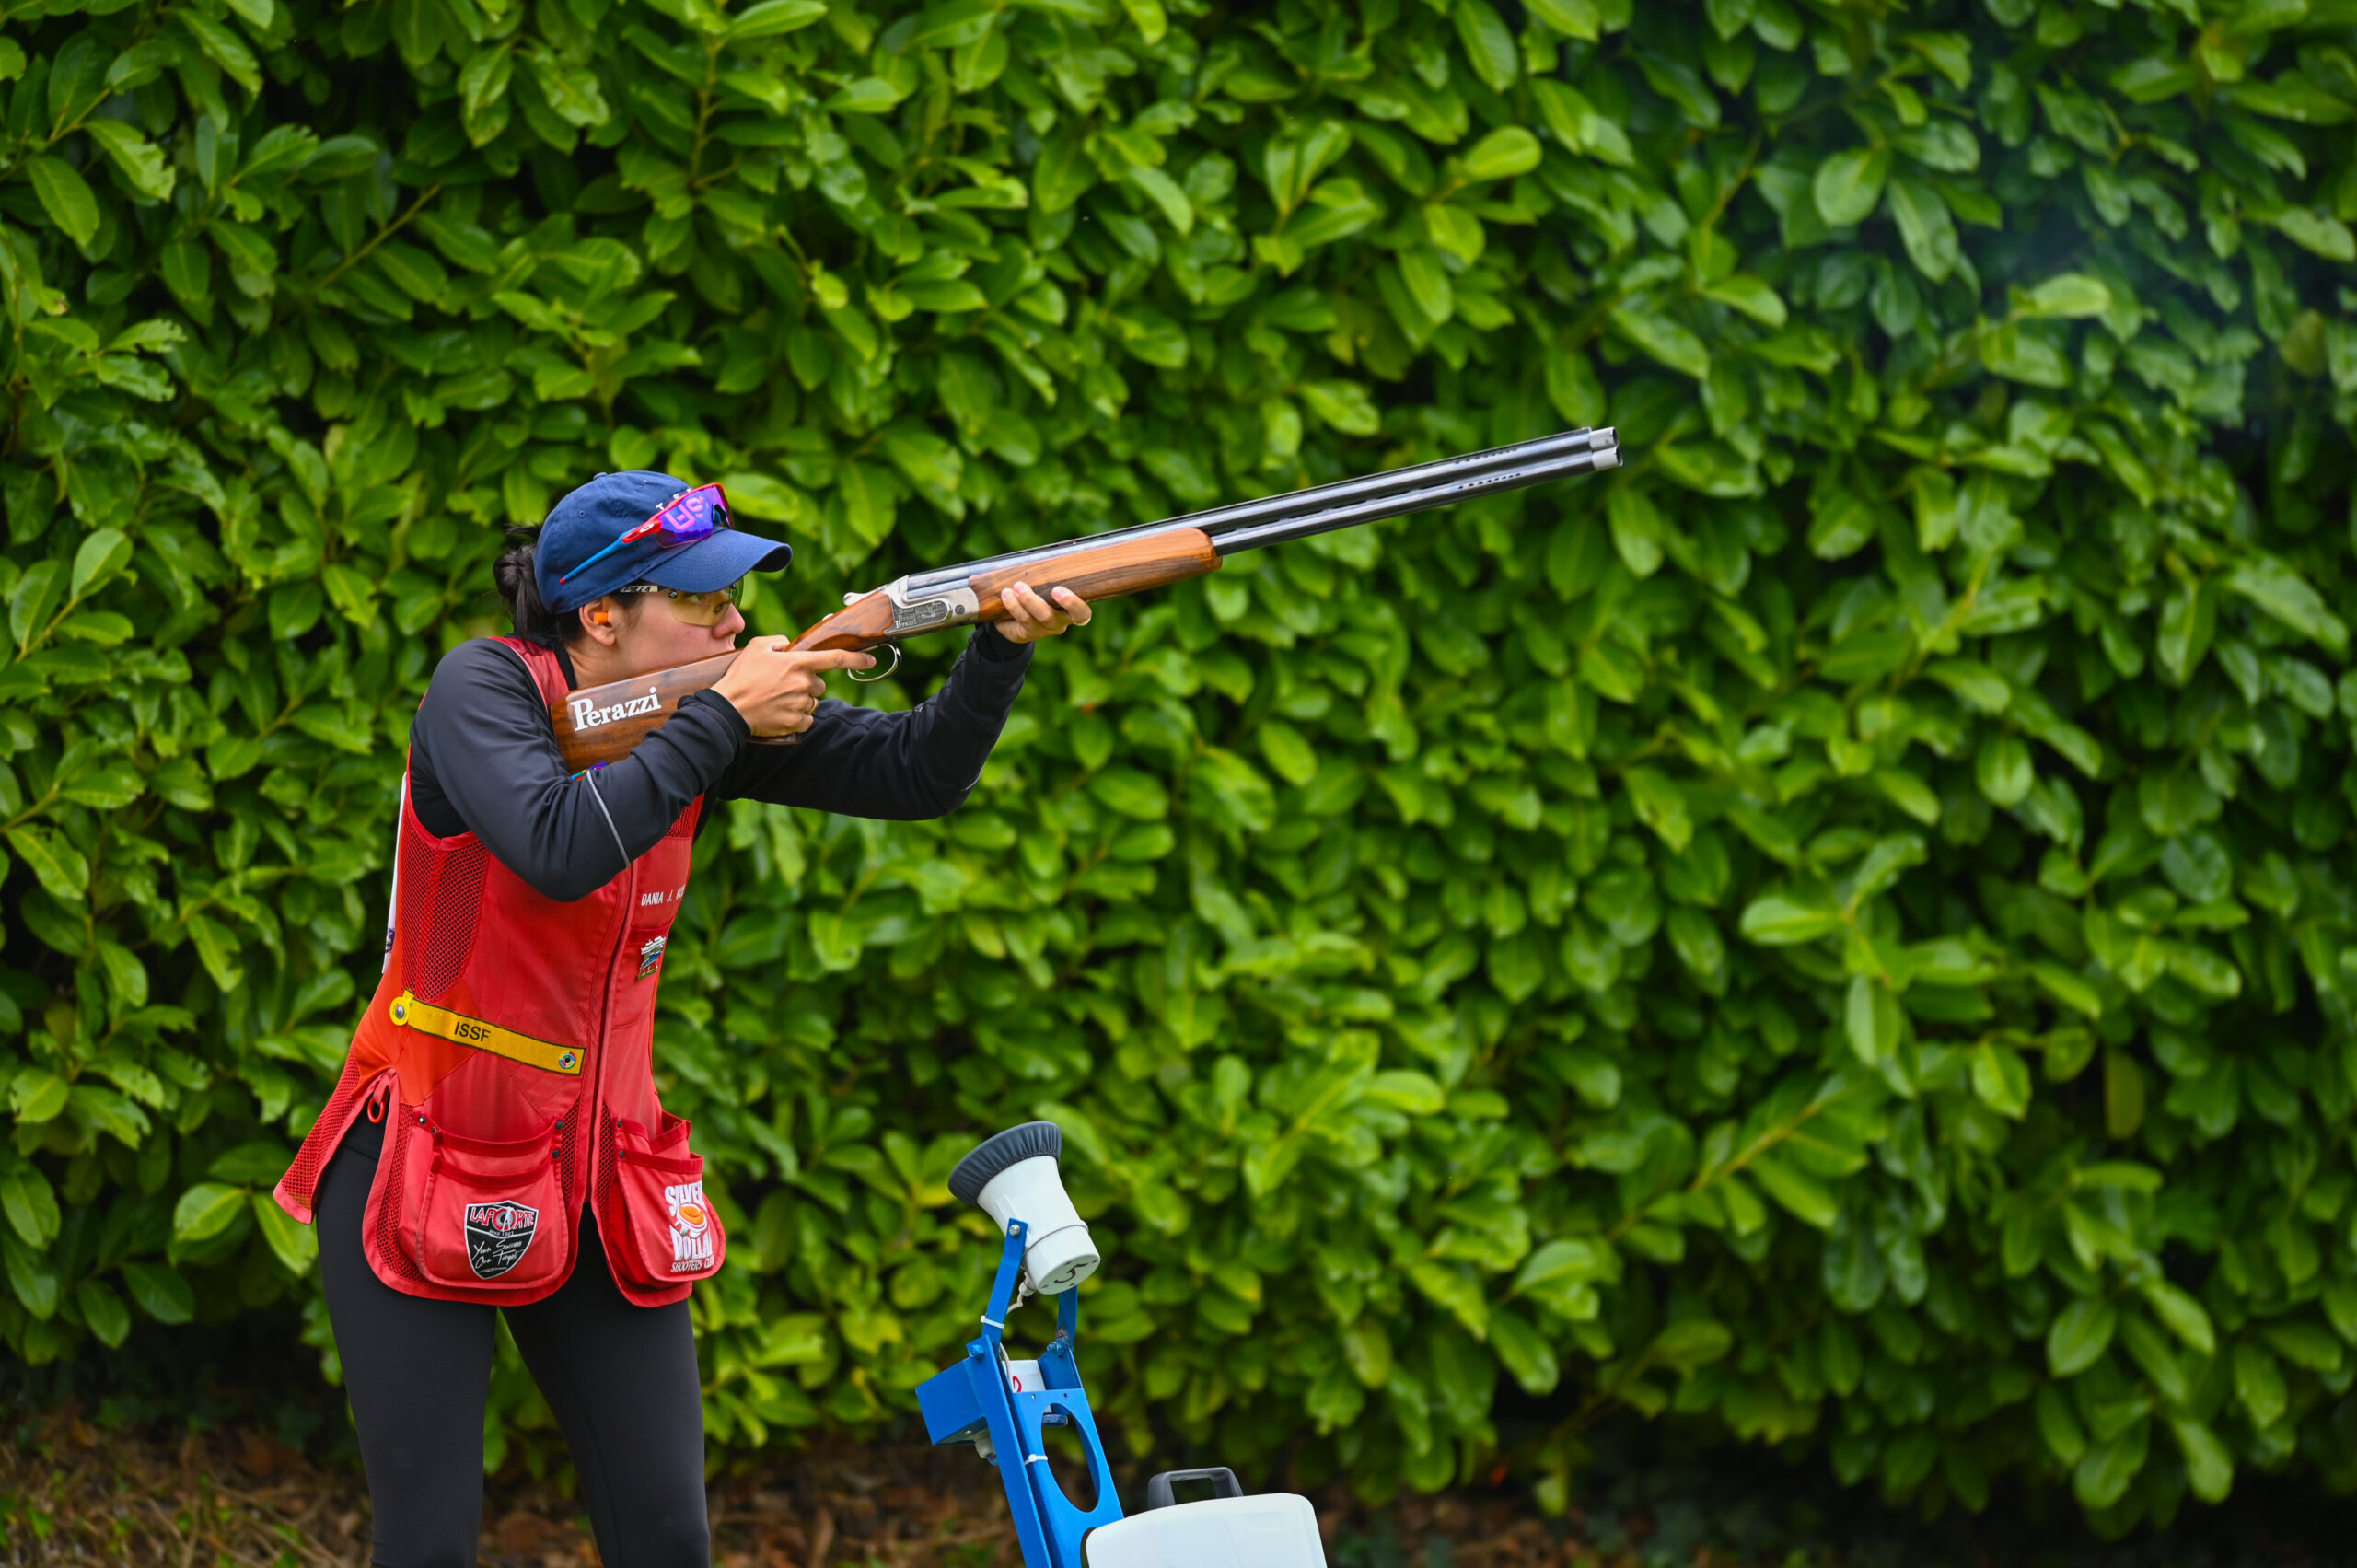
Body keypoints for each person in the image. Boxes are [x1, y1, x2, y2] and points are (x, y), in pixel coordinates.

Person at [273, 471, 1092, 1567]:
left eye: (733, 597)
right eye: (701, 599)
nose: (735, 624)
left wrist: (996, 650)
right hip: (420, 1151)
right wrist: (720, 719)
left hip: (604, 1174)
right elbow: (557, 845)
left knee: (667, 1535)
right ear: (600, 616)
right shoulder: (484, 686)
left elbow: (916, 774)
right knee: (429, 1547)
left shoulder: (698, 716)